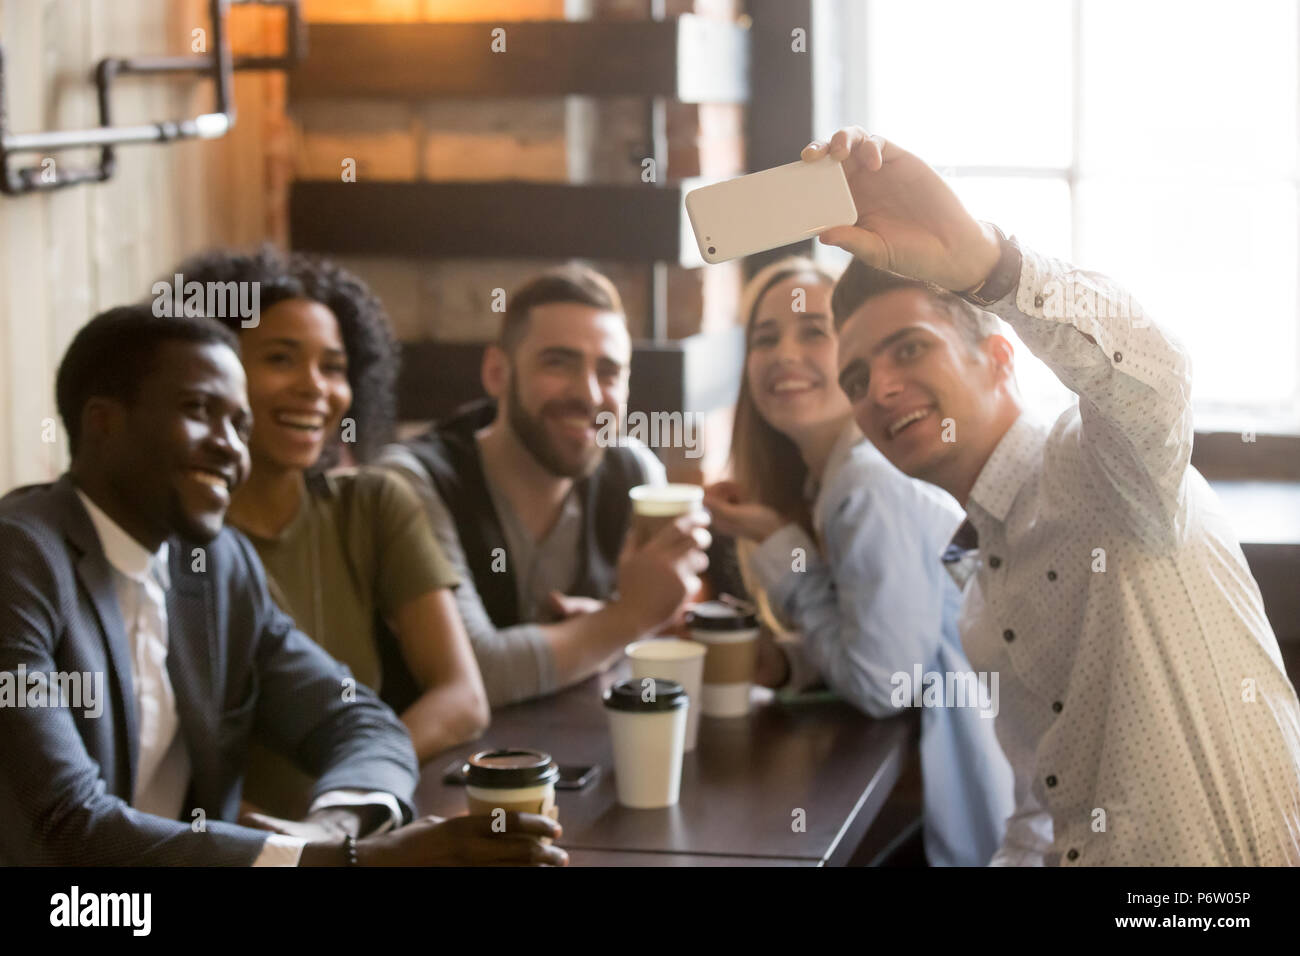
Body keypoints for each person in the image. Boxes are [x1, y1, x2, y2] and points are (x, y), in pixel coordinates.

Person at [815, 126, 1300, 865]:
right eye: (855, 380)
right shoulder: (980, 600)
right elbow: (1042, 811)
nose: (878, 389)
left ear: (999, 356)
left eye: (909, 348)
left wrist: (989, 266)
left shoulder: (1095, 466)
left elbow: (1157, 376)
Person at [0, 305, 564, 866]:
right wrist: (356, 864)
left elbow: (361, 721)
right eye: (198, 410)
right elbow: (68, 825)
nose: (229, 446)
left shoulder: (218, 565)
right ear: (104, 422)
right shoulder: (21, 560)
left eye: (239, 425)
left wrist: (334, 832)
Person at [703, 256, 1013, 866]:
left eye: (813, 333)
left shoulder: (867, 485)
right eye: (764, 340)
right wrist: (790, 661)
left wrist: (783, 552)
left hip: (977, 815)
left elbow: (881, 684)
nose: (784, 354)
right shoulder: (838, 483)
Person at [163, 248, 489, 819]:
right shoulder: (169, 542)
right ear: (212, 372)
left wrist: (351, 791)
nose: (316, 387)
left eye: (334, 367)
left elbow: (462, 697)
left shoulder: (372, 505)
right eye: (281, 358)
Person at [376, 265, 711, 707]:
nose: (589, 395)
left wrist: (627, 620)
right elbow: (475, 674)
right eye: (559, 363)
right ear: (497, 372)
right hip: (438, 770)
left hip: (587, 762)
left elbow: (661, 635)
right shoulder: (414, 484)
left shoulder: (633, 473)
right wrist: (626, 618)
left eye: (609, 372)